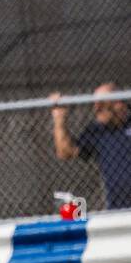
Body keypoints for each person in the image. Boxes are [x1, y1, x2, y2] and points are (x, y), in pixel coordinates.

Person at [51, 83, 131, 211]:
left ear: (118, 103)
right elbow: (65, 152)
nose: (96, 109)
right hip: (118, 209)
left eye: (102, 105)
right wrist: (59, 118)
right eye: (95, 104)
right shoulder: (97, 131)